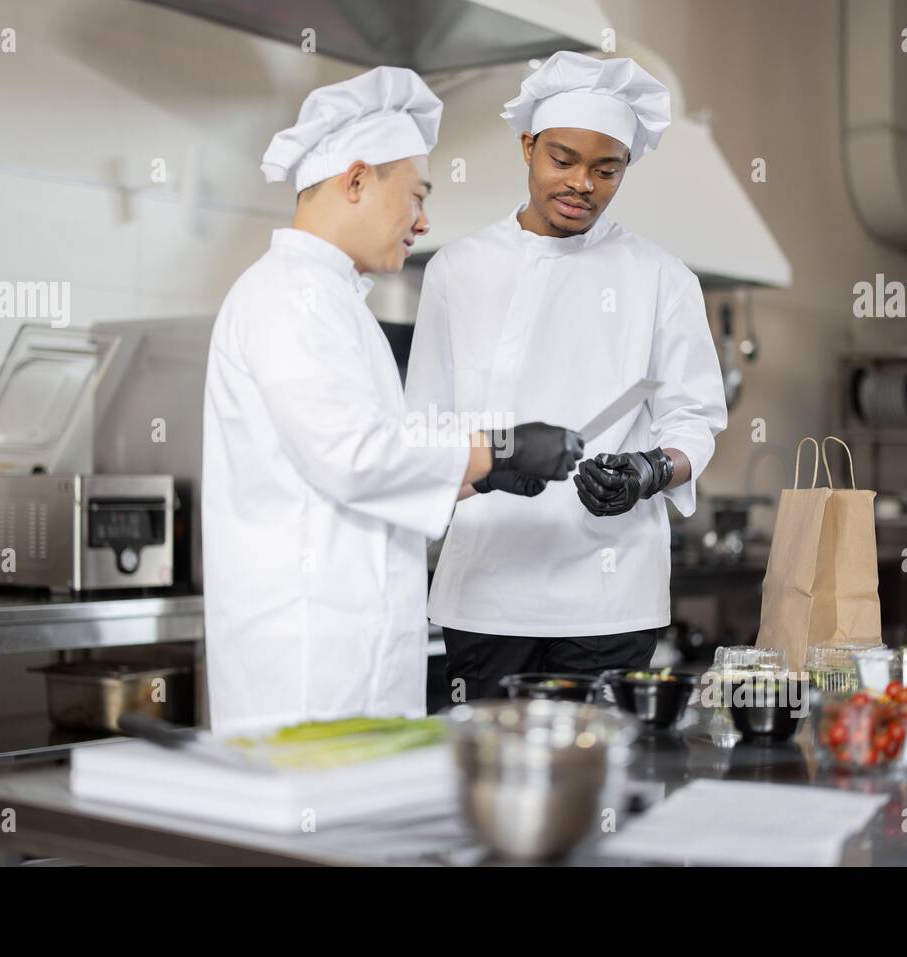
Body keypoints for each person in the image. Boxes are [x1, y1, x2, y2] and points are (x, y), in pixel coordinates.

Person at [202, 66, 583, 732]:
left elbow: (377, 462)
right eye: (416, 196)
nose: (424, 220)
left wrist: (483, 477)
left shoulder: (337, 304)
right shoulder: (289, 297)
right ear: (356, 180)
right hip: (305, 664)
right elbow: (352, 455)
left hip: (352, 652)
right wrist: (495, 448)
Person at [404, 52, 727, 701]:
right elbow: (425, 426)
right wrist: (491, 463)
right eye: (563, 159)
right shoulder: (456, 271)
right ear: (527, 145)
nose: (583, 183)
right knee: (491, 784)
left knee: (599, 783)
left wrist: (649, 471)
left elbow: (696, 421)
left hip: (610, 599)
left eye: (606, 169)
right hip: (486, 590)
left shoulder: (662, 278)